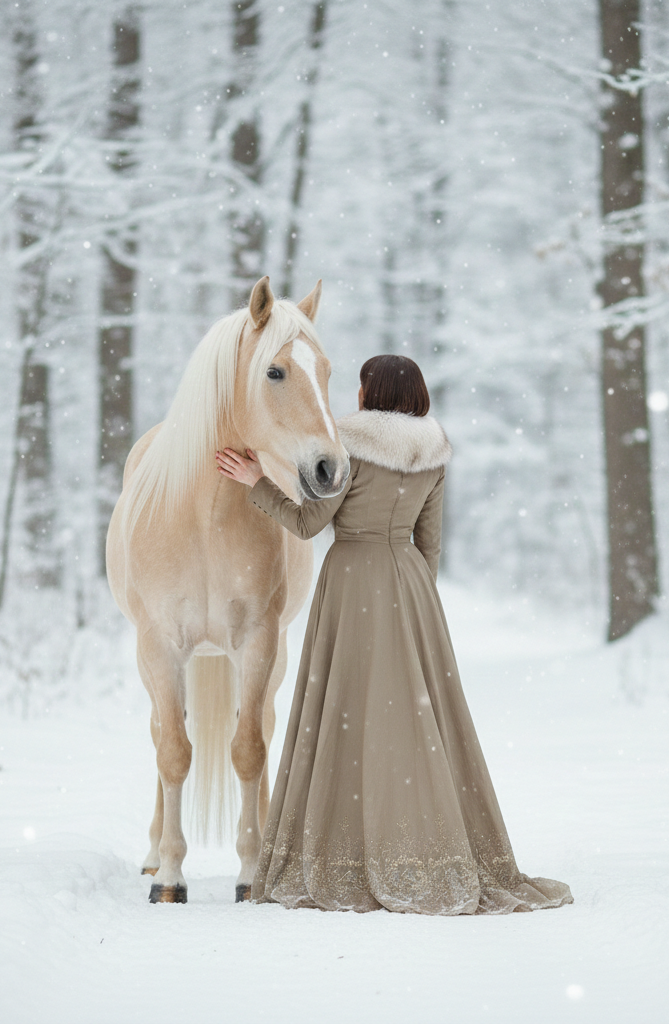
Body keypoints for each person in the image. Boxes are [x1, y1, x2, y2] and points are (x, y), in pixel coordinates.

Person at [214, 354, 572, 915]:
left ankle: (342, 851)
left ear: (368, 392)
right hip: (410, 586)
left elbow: (308, 524)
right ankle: (430, 847)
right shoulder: (432, 456)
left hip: (353, 582)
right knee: (416, 719)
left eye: (359, 386)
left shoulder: (350, 448)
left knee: (343, 713)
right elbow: (429, 545)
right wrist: (411, 605)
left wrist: (255, 481)